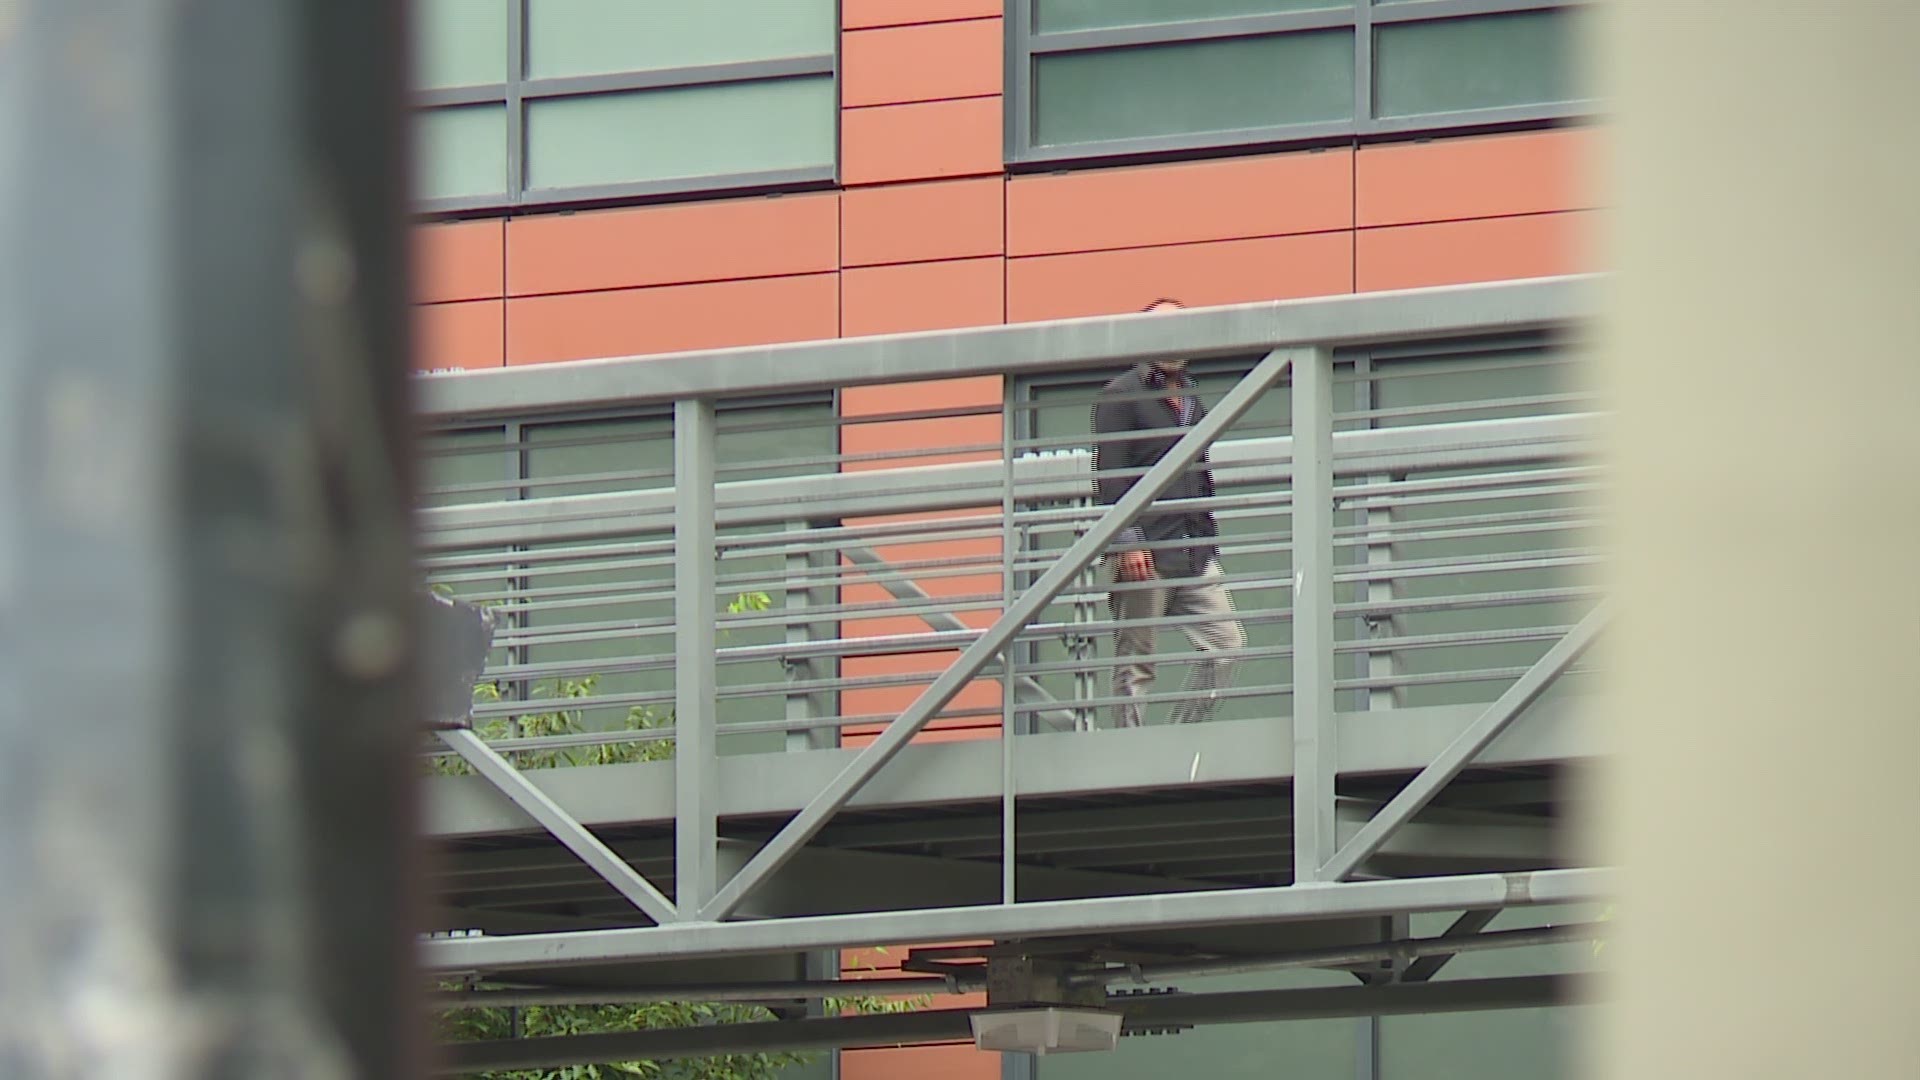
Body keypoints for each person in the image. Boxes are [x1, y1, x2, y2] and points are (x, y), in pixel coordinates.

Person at [1091, 298, 1246, 728]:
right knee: (1137, 663)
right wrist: (1127, 541)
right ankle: (1130, 752)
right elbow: (1111, 476)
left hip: (1194, 549)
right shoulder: (1121, 395)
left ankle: (1181, 735)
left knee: (1228, 645)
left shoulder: (1192, 398)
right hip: (1147, 554)